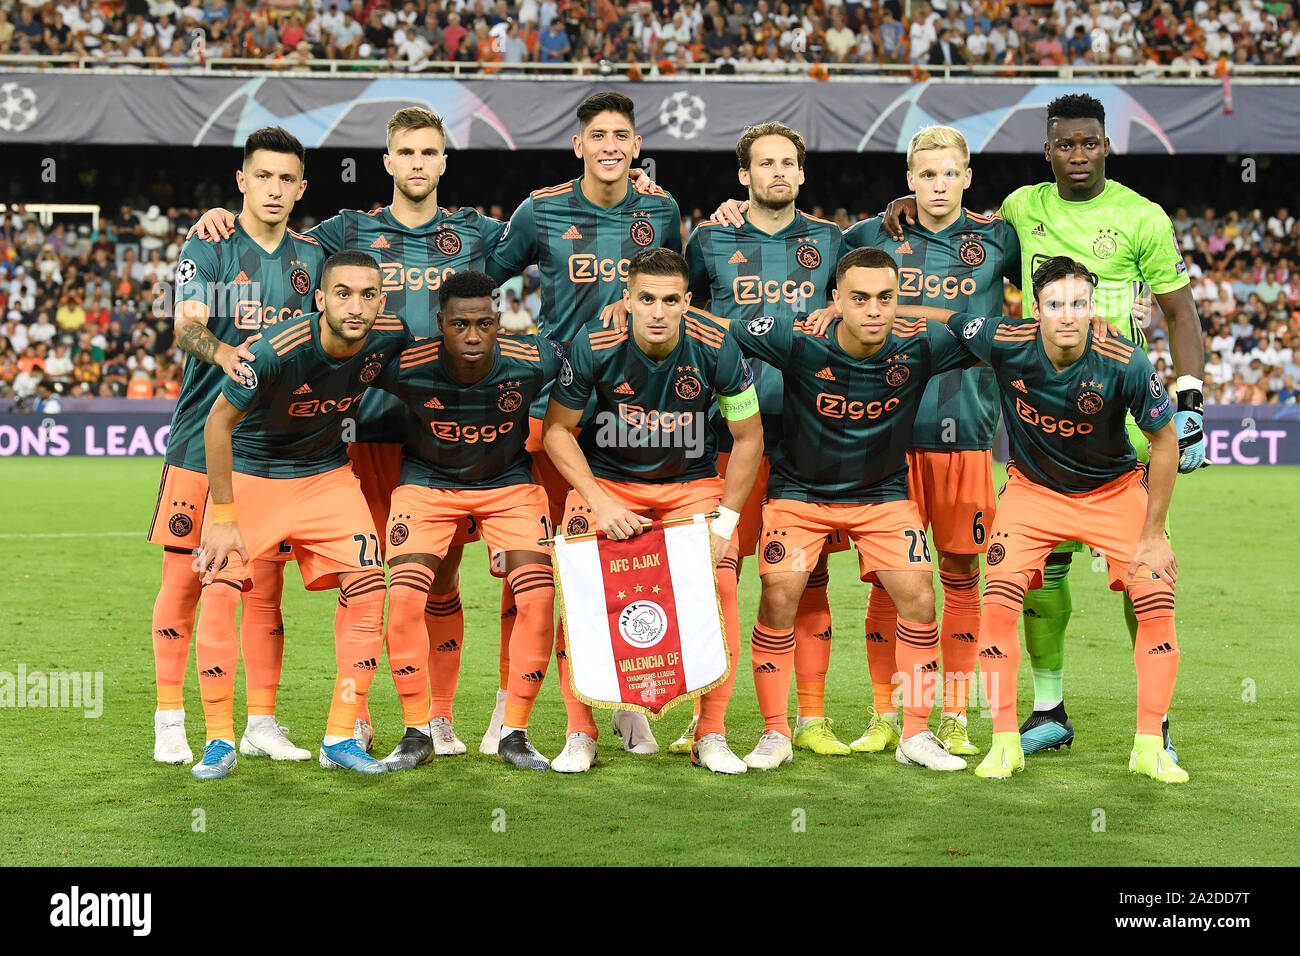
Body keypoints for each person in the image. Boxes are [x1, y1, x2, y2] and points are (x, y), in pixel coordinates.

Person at [882, 93, 1204, 761]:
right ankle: (1049, 708)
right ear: (1048, 150)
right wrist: (910, 208)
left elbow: (1180, 312)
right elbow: (965, 234)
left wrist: (1192, 399)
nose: (1077, 154)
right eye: (1065, 144)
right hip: (1043, 417)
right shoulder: (1022, 208)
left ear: (1106, 146)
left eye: (1089, 143)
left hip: (1121, 416)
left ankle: (1157, 724)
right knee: (1041, 576)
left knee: (1143, 571)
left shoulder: (1142, 216)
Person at [727, 246, 978, 772]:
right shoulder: (799, 338)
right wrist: (634, 310)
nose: (874, 310)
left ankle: (916, 735)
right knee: (780, 594)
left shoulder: (920, 343)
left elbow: (992, 333)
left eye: (886, 298)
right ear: (835, 300)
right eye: (859, 299)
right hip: (799, 495)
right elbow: (719, 330)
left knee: (919, 597)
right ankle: (776, 732)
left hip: (882, 495)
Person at [487, 91, 683, 756]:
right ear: (578, 145)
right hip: (552, 412)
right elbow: (483, 281)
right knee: (532, 568)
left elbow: (679, 293)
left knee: (625, 566)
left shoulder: (660, 210)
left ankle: (625, 702)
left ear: (636, 146)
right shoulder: (539, 210)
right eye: (598, 135)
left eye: (621, 135)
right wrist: (516, 351)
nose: (609, 146)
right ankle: (508, 706)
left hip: (632, 418)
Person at [942, 256, 1186, 783]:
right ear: (1036, 309)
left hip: (1114, 490)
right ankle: (1004, 742)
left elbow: (1165, 442)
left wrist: (1154, 534)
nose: (1068, 315)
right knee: (998, 602)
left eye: (1078, 303)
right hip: (1034, 493)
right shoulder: (1005, 341)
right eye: (1055, 304)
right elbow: (946, 317)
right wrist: (851, 309)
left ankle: (1150, 745)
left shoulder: (1125, 361)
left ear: (1093, 308)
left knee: (1156, 597)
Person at [190, 250, 414, 780]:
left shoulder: (389, 337)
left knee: (369, 586)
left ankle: (341, 735)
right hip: (253, 473)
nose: (355, 306)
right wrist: (224, 516)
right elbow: (217, 425)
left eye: (367, 295)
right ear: (320, 299)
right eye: (343, 293)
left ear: (381, 301)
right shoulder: (274, 351)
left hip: (325, 474)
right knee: (219, 591)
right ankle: (219, 739)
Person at [834, 126, 1020, 756]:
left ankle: (955, 714)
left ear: (968, 176)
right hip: (884, 431)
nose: (939, 185)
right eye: (927, 174)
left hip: (964, 432)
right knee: (890, 580)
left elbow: (1044, 289)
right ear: (909, 179)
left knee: (962, 573)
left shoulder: (1000, 238)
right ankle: (886, 713)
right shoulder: (869, 236)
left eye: (950, 174)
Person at [542, 248, 763, 773]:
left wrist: (726, 523)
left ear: (687, 302)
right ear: (628, 299)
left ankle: (710, 734)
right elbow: (556, 431)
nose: (658, 312)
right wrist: (599, 501)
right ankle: (580, 733)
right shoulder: (594, 344)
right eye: (646, 299)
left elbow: (749, 438)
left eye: (670, 300)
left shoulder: (717, 346)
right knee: (577, 594)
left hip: (691, 486)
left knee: (721, 587)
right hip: (609, 484)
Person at [670, 123, 848, 756]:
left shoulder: (832, 241)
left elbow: (861, 303)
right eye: (765, 163)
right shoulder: (710, 239)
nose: (778, 172)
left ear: (801, 173)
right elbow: (680, 310)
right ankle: (703, 718)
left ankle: (811, 719)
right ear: (743, 175)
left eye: (788, 163)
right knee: (717, 575)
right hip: (726, 434)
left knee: (807, 576)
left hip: (809, 433)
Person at [150, 126, 325, 766]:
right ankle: (170, 718)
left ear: (301, 188)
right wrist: (225, 352)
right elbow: (185, 326)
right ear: (241, 181)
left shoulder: (314, 257)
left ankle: (261, 723)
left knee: (263, 587)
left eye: (287, 179)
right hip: (203, 439)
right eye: (264, 176)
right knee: (184, 579)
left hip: (272, 450)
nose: (274, 189)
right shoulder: (210, 243)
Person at [370, 270, 565, 771]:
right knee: (405, 599)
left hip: (508, 485)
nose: (473, 336)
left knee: (539, 598)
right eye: (460, 325)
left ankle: (514, 733)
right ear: (440, 323)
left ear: (500, 321)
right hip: (427, 485)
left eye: (484, 324)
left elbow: (590, 364)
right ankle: (418, 730)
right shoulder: (407, 365)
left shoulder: (533, 359)